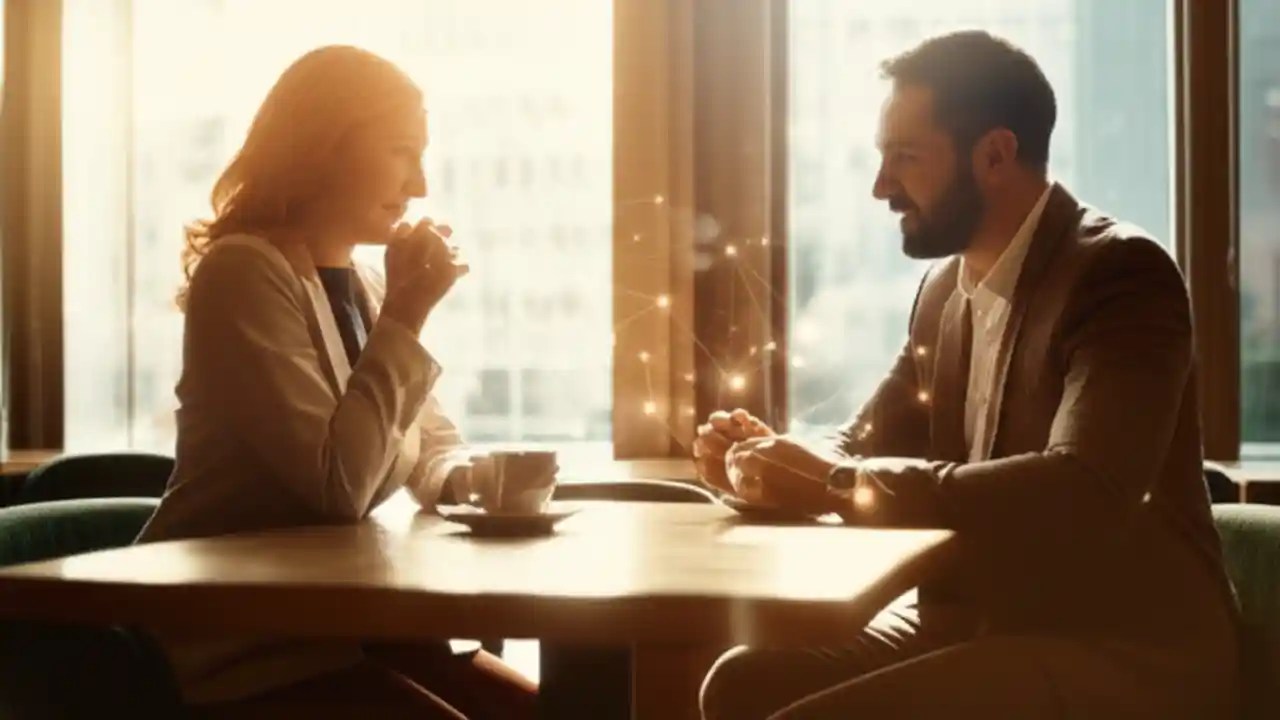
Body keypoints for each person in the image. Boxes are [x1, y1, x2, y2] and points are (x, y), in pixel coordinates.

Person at [695, 31, 1239, 720]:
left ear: (995, 154)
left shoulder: (1122, 275)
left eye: (905, 158)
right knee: (739, 685)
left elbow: (1086, 487)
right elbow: (863, 440)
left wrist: (829, 483)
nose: (881, 186)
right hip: (981, 623)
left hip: (1119, 646)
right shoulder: (943, 292)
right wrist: (764, 464)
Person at [136, 45, 535, 719]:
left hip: (352, 630)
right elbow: (338, 486)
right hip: (242, 643)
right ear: (324, 146)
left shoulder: (370, 287)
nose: (420, 186)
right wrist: (409, 314)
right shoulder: (242, 275)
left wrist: (468, 484)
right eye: (403, 151)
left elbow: (430, 440)